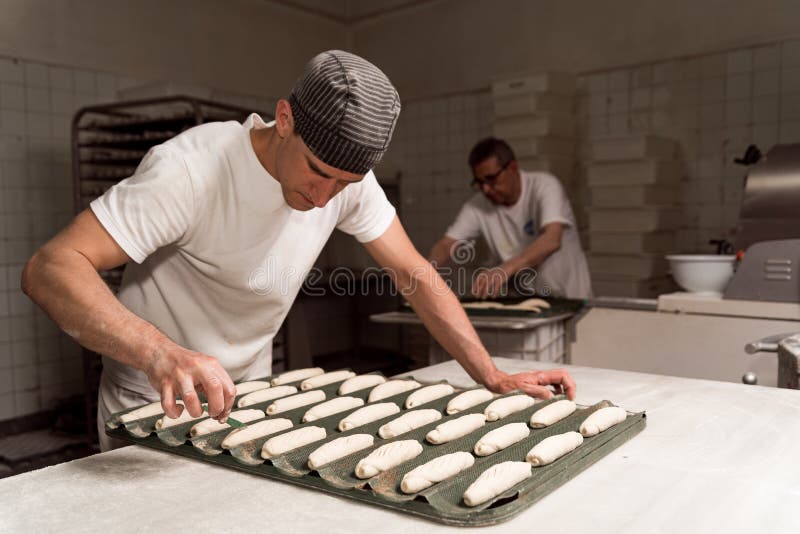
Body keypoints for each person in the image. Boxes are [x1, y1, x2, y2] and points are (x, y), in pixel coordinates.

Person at [22, 51, 576, 451]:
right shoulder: (191, 169)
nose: (323, 198)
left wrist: (492, 377)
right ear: (284, 120)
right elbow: (50, 267)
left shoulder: (346, 183)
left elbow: (413, 272)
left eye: (345, 182)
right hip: (149, 404)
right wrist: (159, 352)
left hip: (247, 401)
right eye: (318, 172)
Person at [429, 137, 592, 300]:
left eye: (491, 179)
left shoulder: (545, 186)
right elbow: (445, 245)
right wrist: (422, 277)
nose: (486, 189)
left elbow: (552, 239)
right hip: (526, 301)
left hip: (570, 298)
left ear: (513, 168)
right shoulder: (477, 206)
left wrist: (504, 269)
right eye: (479, 182)